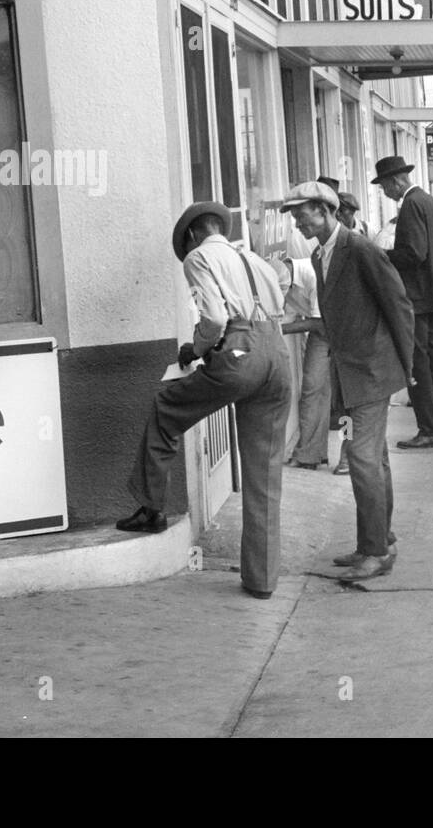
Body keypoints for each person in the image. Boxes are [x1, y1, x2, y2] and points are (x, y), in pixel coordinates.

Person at [119, 201, 291, 600]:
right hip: (277, 356)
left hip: (239, 354)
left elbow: (213, 318)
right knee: (264, 474)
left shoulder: (198, 258)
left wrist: (195, 350)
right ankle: (261, 580)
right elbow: (281, 295)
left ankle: (151, 508)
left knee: (166, 408)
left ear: (193, 235)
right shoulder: (252, 258)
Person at [284, 181, 415, 581]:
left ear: (324, 211)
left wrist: (407, 369)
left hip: (371, 372)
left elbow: (399, 306)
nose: (297, 222)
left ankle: (376, 552)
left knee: (361, 460)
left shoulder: (359, 249)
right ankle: (378, 540)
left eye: (301, 214)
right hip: (353, 370)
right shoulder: (323, 252)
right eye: (293, 216)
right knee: (375, 460)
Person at [375, 155, 433, 450]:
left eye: (384, 187)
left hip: (420, 298)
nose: (384, 193)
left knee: (418, 367)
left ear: (396, 181)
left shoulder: (410, 205)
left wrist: (382, 255)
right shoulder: (430, 201)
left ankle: (429, 429)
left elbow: (414, 253)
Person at [277, 255, 329, 469]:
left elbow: (318, 323)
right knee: (315, 392)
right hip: (324, 331)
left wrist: (279, 329)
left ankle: (343, 456)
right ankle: (311, 453)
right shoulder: (285, 279)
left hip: (337, 329)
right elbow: (286, 316)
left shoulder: (311, 273)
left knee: (322, 394)